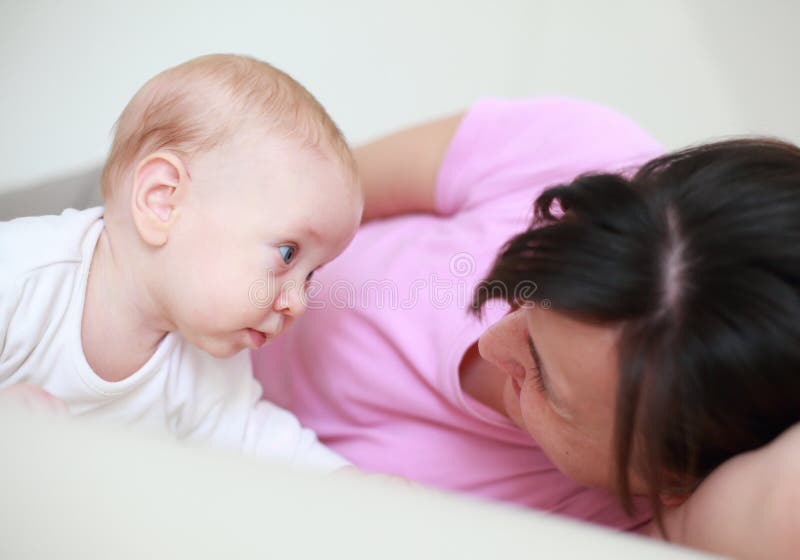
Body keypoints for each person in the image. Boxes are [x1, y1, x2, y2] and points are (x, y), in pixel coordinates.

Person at [252, 97, 800, 554]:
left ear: (672, 480)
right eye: (521, 294)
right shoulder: (579, 154)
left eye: (545, 383)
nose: (489, 344)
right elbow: (280, 204)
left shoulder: (626, 530)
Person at [0, 54, 363, 471]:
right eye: (287, 254)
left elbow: (257, 440)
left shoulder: (202, 362)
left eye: (312, 274)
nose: (297, 303)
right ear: (163, 201)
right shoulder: (22, 278)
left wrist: (348, 482)